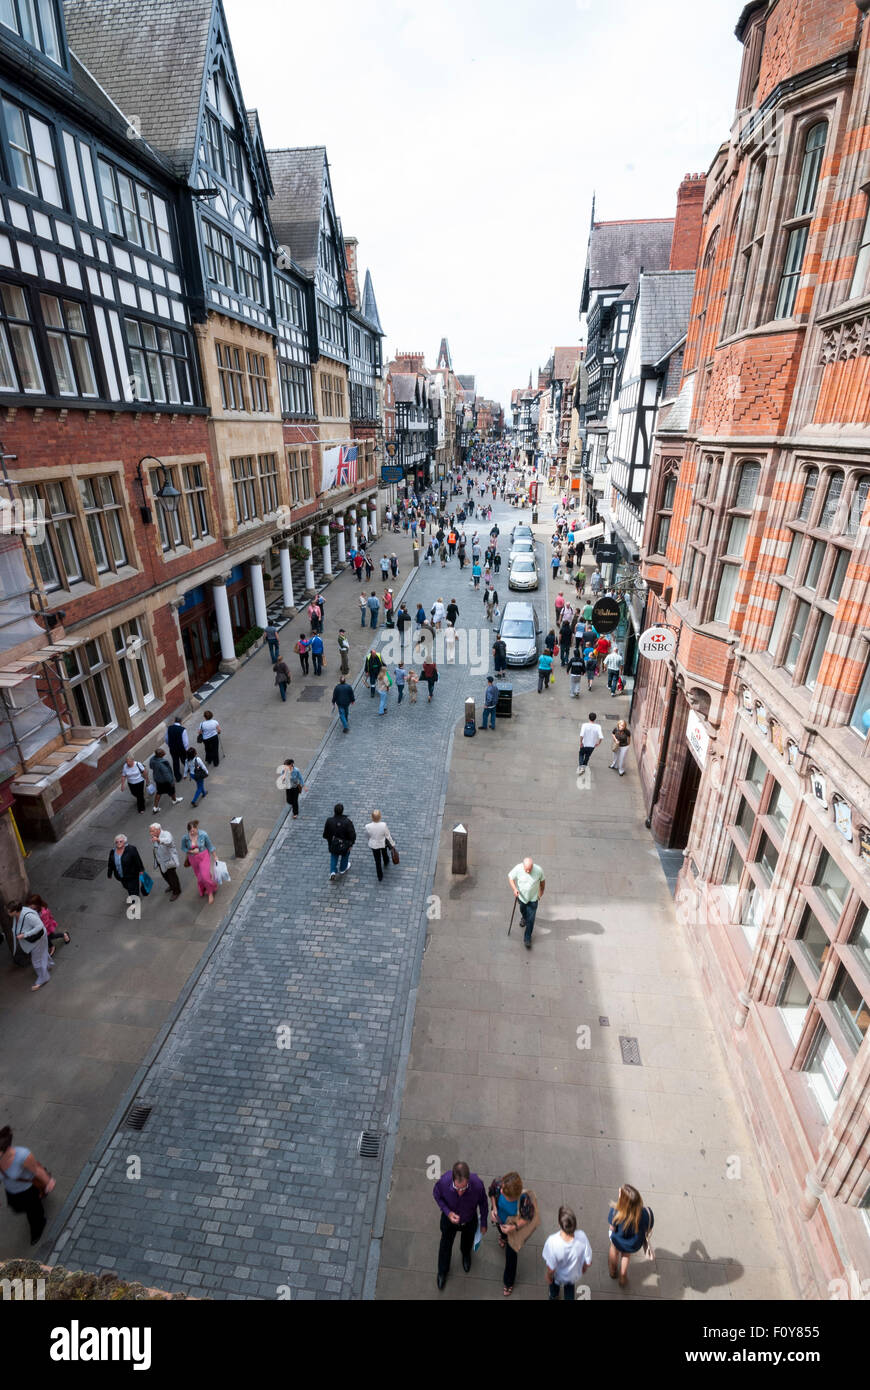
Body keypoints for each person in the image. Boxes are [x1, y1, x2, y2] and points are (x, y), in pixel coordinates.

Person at [433, 1160, 488, 1289]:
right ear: (453, 1180)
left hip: (469, 1219)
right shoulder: (444, 1181)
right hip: (449, 1220)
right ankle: (442, 1271)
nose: (460, 1192)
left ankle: (466, 1254)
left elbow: (483, 1204)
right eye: (457, 1188)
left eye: (464, 1188)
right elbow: (436, 1195)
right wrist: (447, 1212)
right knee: (445, 1245)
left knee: (467, 1241)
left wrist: (484, 1222)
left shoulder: (478, 1185)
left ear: (468, 1180)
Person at [0, 1124, 55, 1244]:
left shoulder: (22, 1155)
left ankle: (38, 1229)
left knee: (34, 1213)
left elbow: (37, 1170)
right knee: (17, 1208)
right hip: (12, 1191)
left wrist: (47, 1181)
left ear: (3, 1150)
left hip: (28, 1191)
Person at [488, 1172, 538, 1297]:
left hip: (513, 1229)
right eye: (502, 1189)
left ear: (515, 1196)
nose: (502, 1192)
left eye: (505, 1194)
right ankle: (503, 1237)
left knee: (511, 1256)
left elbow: (527, 1218)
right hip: (501, 1221)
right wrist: (494, 1208)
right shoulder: (499, 1184)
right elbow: (492, 1192)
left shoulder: (524, 1200)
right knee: (502, 1232)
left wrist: (513, 1227)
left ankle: (508, 1282)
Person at [608, 1184, 654, 1288]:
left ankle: (613, 1271)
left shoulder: (615, 1211)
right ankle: (623, 1275)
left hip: (618, 1240)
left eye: (620, 1193)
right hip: (632, 1243)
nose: (619, 1191)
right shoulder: (646, 1213)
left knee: (613, 1251)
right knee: (626, 1256)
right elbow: (649, 1227)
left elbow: (612, 1228)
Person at [543, 1206, 592, 1300]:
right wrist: (584, 1267)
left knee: (553, 1287)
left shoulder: (552, 1242)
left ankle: (554, 1296)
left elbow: (551, 1268)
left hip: (557, 1275)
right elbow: (588, 1261)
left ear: (560, 1224)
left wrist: (548, 1276)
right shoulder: (582, 1236)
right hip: (572, 1275)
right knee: (569, 1292)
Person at [9, 899, 53, 990]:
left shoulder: (27, 916)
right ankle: (47, 966)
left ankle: (43, 978)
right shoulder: (17, 914)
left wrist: (25, 935)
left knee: (36, 961)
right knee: (42, 953)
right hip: (35, 940)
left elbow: (40, 926)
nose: (7, 913)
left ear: (15, 911)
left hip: (37, 941)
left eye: (9, 911)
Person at [508, 857, 546, 949]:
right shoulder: (518, 868)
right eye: (526, 870)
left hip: (533, 899)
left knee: (531, 919)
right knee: (522, 910)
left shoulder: (539, 870)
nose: (528, 871)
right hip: (521, 897)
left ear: (533, 866)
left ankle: (527, 938)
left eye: (530, 869)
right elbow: (510, 877)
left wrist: (540, 894)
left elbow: (543, 883)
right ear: (523, 866)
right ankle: (524, 918)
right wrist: (514, 889)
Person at [180, 819, 217, 905]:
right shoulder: (185, 838)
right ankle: (205, 885)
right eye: (190, 831)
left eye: (194, 830)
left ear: (197, 828)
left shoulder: (203, 834)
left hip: (204, 856)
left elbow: (210, 846)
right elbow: (183, 848)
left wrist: (215, 856)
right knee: (200, 878)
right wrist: (191, 851)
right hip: (193, 859)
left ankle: (210, 892)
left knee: (205, 877)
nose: (192, 832)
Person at [323, 802, 356, 880]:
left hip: (333, 843)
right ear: (342, 811)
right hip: (345, 844)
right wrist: (351, 844)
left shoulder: (329, 820)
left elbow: (326, 834)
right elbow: (352, 834)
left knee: (334, 856)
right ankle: (342, 868)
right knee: (345, 855)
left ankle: (332, 871)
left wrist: (330, 842)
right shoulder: (347, 821)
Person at [106, 833, 145, 900]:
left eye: (120, 841)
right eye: (117, 842)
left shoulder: (131, 849)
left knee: (133, 889)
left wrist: (141, 870)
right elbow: (110, 863)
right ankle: (133, 894)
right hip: (121, 876)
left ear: (124, 841)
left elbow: (137, 860)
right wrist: (109, 873)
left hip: (132, 875)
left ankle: (135, 900)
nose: (118, 843)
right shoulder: (112, 851)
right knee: (126, 886)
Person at [149, 823, 181, 901]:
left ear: (158, 829)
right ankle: (171, 885)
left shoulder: (166, 834)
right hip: (161, 860)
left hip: (169, 860)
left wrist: (158, 840)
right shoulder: (155, 837)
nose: (151, 833)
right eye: (150, 831)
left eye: (152, 831)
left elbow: (168, 841)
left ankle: (176, 891)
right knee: (165, 875)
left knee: (172, 876)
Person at [364, 809, 395, 882]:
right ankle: (386, 861)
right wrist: (392, 844)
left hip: (374, 845)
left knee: (377, 860)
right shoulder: (383, 825)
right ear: (380, 817)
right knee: (384, 852)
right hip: (382, 843)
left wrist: (370, 840)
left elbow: (367, 835)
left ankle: (380, 876)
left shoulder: (367, 826)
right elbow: (387, 835)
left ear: (372, 817)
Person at [149, 746, 182, 814]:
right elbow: (166, 773)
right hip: (165, 781)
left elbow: (151, 766)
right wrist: (171, 781)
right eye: (163, 753)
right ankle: (174, 800)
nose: (164, 753)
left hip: (158, 779)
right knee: (172, 790)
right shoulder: (161, 763)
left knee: (159, 792)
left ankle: (155, 807)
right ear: (160, 755)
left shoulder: (153, 760)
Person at [166, 715, 190, 783]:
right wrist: (186, 750)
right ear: (180, 721)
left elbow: (166, 739)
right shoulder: (183, 729)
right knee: (184, 759)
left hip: (173, 749)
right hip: (181, 749)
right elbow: (185, 742)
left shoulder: (169, 728)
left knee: (175, 762)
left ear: (174, 720)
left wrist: (170, 745)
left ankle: (178, 777)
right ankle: (188, 768)